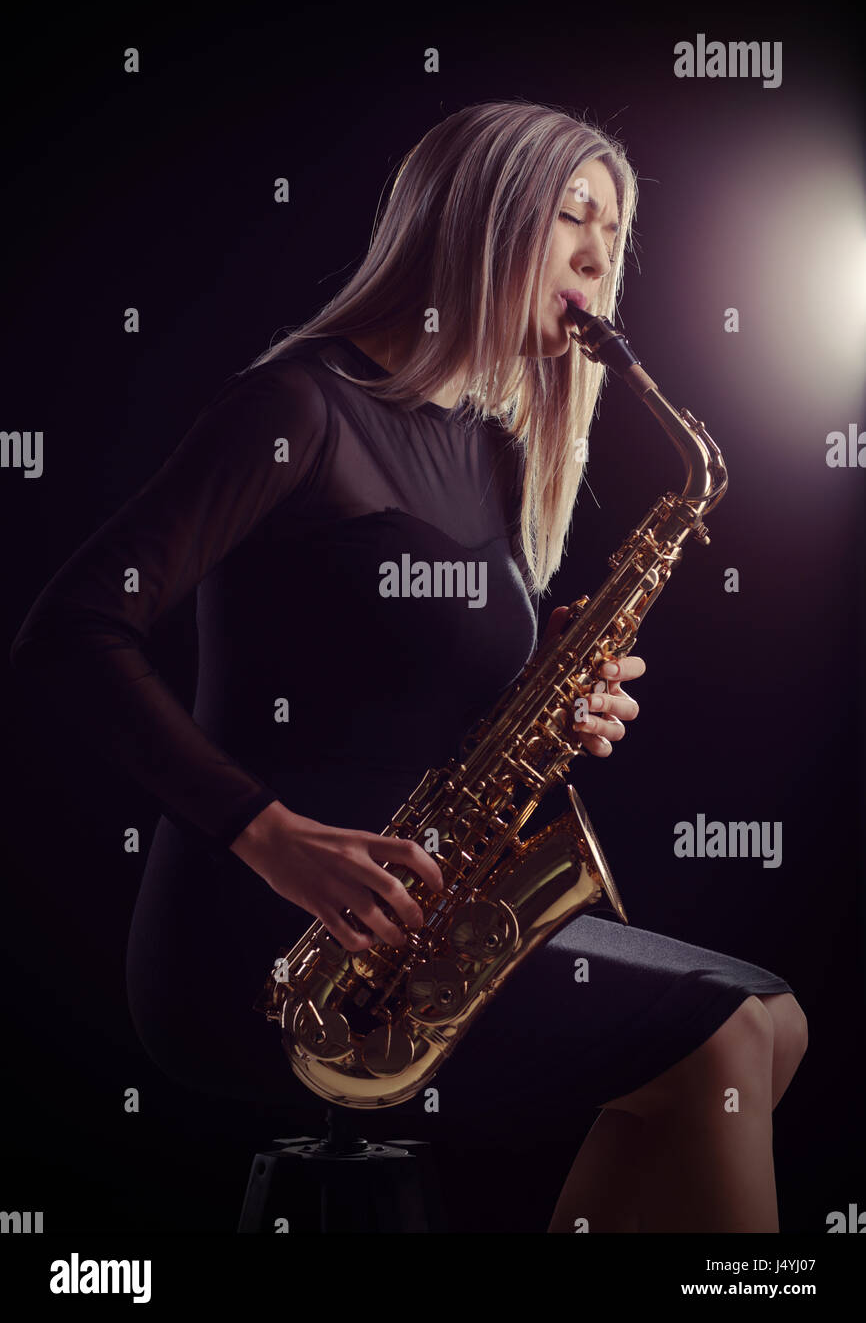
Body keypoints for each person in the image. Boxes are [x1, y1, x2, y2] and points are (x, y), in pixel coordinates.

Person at [9, 100, 807, 1233]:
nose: (598, 258)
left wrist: (551, 700)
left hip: (411, 919)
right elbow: (69, 631)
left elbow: (396, 692)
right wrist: (270, 835)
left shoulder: (483, 443)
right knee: (719, 1037)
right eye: (570, 215)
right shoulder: (295, 407)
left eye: (614, 234)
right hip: (266, 950)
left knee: (772, 1018)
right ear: (473, 220)